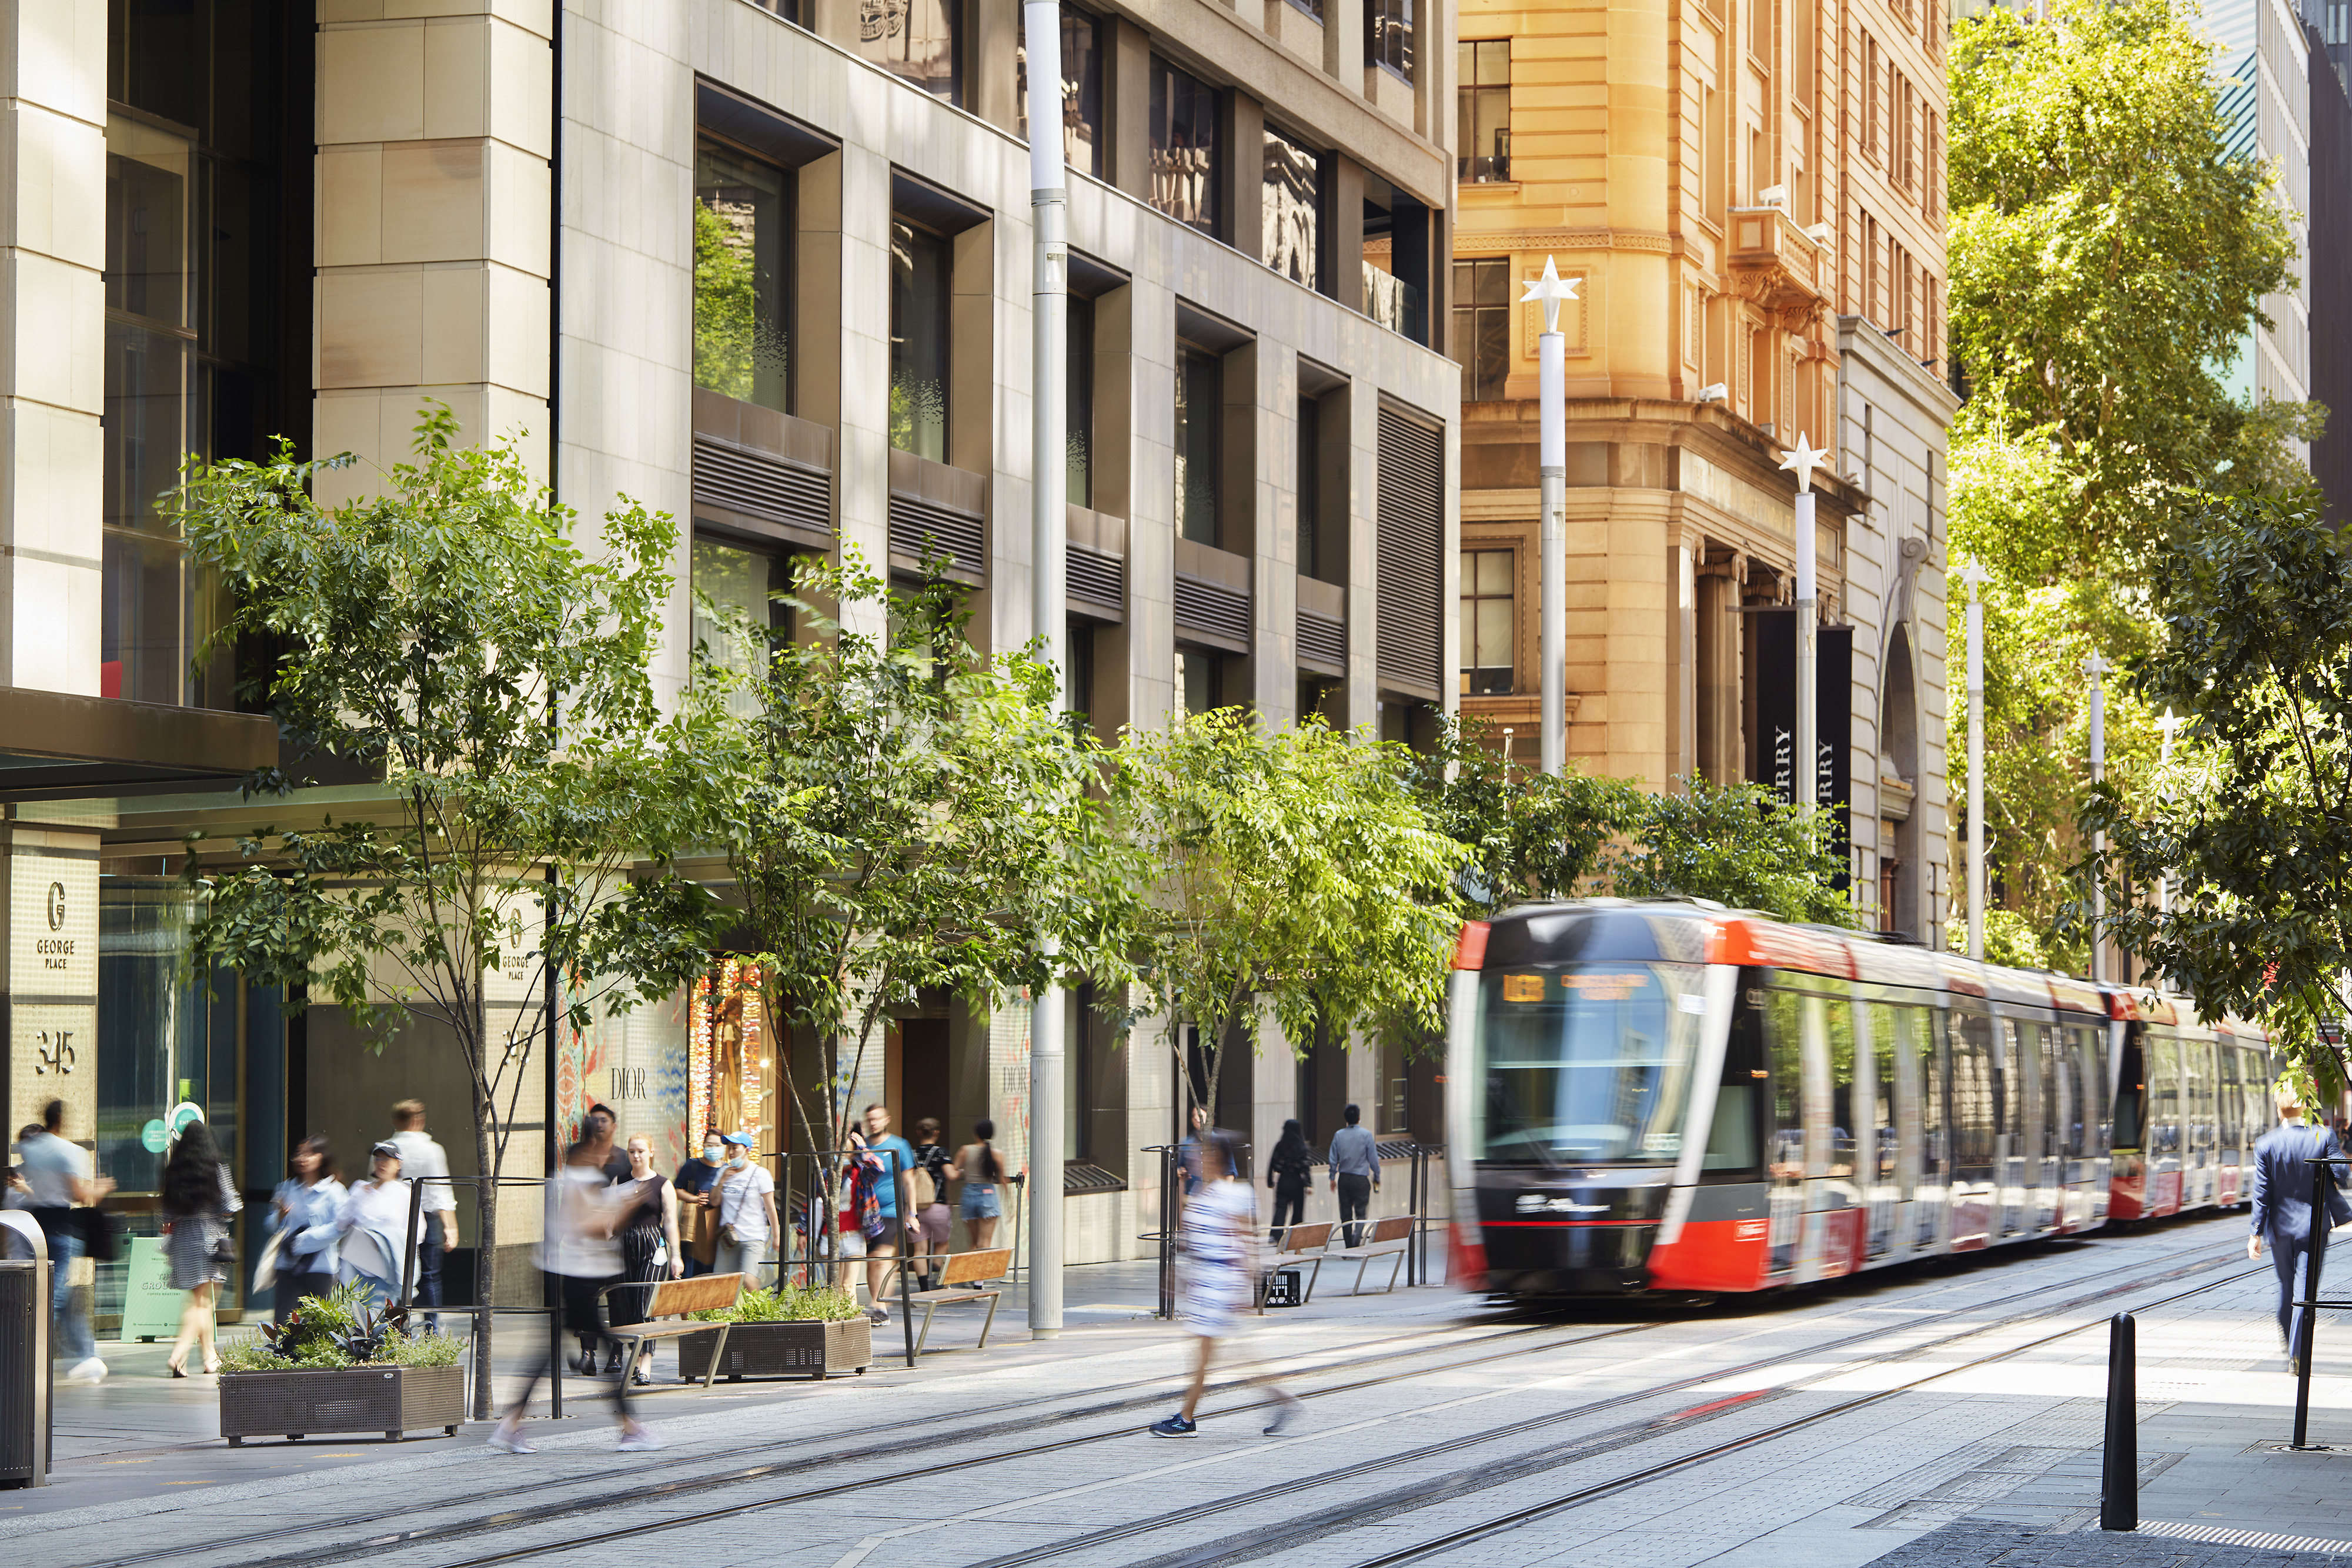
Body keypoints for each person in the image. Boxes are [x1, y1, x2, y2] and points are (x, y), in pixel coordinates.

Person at [486, 1135, 661, 1454]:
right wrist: (629, 1206)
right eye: (601, 1149)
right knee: (601, 1347)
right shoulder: (582, 1181)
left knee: (551, 1352)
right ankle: (630, 1429)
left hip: (578, 1276)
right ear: (588, 1152)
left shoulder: (576, 1181)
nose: (607, 1155)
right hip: (579, 1278)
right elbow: (591, 1227)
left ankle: (511, 1424)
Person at [1149, 1131, 1303, 1439]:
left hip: (1220, 1285)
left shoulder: (1233, 1195)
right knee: (1228, 1355)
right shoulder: (1203, 1195)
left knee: (1207, 1356)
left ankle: (1187, 1418)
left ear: (1216, 1158)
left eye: (1202, 1154)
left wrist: (1247, 1288)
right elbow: (1191, 1240)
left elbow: (1245, 1242)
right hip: (1209, 1285)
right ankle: (1281, 1401)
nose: (1196, 1158)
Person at [2249, 1094, 2351, 1374]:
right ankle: (2298, 1352)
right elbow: (2342, 1173)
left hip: (2280, 1229)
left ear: (2278, 1110)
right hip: (2314, 1226)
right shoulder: (2321, 1135)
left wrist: (2255, 1233)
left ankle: (2289, 1346)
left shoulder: (2266, 1143)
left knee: (2286, 1289)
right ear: (2305, 1106)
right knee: (2307, 1292)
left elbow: (2262, 1193)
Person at [18, 1099, 113, 1385]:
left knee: (59, 1292)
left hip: (34, 1223)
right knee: (55, 1294)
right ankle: (33, 1352)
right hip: (60, 1226)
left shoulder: (29, 1149)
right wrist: (103, 1187)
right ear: (60, 1118)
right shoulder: (69, 1151)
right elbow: (78, 1194)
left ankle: (87, 1354)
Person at [160, 1120, 240, 1378]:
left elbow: (166, 1213)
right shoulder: (215, 1168)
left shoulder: (174, 1172)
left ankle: (210, 1357)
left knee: (203, 1300)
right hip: (208, 1237)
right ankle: (178, 1353)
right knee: (201, 1302)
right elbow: (229, 1205)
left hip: (182, 1239)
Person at [609, 1134, 683, 1382]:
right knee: (629, 1306)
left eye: (641, 1151)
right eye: (631, 1151)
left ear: (651, 1153)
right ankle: (637, 1357)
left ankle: (646, 1364)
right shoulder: (620, 1181)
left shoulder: (663, 1184)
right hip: (624, 1244)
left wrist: (677, 1256)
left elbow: (671, 1222)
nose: (636, 1156)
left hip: (653, 1245)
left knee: (645, 1303)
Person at [388, 1100, 457, 1332]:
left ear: (396, 1121)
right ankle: (432, 1328)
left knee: (395, 1273)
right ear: (419, 1120)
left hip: (394, 1217)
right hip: (429, 1218)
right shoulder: (432, 1149)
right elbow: (441, 1191)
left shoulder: (386, 1148)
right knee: (429, 1275)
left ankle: (395, 1328)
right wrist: (451, 1227)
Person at [851, 1105, 918, 1324]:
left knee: (882, 1257)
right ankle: (879, 1305)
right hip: (867, 1211)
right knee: (873, 1260)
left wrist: (912, 1212)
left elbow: (909, 1181)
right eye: (869, 1119)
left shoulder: (899, 1145)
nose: (873, 1123)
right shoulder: (863, 1145)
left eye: (877, 1119)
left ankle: (879, 1307)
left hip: (891, 1210)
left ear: (887, 1120)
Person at [271, 1135, 346, 1322]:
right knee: (284, 1323)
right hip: (287, 1265)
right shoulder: (286, 1188)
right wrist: (279, 1216)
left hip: (320, 1267)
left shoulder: (334, 1191)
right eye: (299, 1154)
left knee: (316, 1325)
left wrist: (304, 1241)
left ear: (322, 1157)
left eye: (310, 1154)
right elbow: (271, 1225)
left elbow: (340, 1227)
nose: (303, 1158)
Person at [333, 1142, 415, 1308]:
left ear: (398, 1164)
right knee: (355, 1319)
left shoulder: (405, 1194)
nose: (381, 1164)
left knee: (379, 1318)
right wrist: (356, 1198)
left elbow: (417, 1233)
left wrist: (387, 1241)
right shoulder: (360, 1188)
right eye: (378, 1159)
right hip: (356, 1266)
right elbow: (340, 1223)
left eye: (387, 1159)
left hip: (386, 1268)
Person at [711, 1132, 779, 1285]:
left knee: (748, 1280)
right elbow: (714, 1202)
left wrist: (777, 1236)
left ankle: (757, 1309)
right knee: (722, 1283)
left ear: (747, 1149)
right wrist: (722, 1181)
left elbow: (770, 1208)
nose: (730, 1152)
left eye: (735, 1148)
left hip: (753, 1236)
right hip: (728, 1238)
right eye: (729, 1148)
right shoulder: (723, 1172)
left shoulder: (760, 1174)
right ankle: (728, 1311)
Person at [909, 1118, 954, 1286]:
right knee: (943, 1244)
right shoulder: (941, 1153)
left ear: (919, 1133)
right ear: (936, 1133)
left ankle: (924, 1288)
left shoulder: (911, 1154)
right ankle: (936, 1270)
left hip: (915, 1209)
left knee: (920, 1250)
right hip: (938, 1206)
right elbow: (951, 1175)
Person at [674, 1132, 727, 1277]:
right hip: (693, 1226)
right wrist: (694, 1199)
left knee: (712, 1270)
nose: (713, 1148)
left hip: (717, 1227)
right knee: (690, 1269)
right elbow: (677, 1189)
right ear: (703, 1146)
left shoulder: (726, 1170)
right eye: (709, 1145)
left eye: (717, 1145)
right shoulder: (692, 1165)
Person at [954, 1118, 1009, 1255]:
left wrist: (963, 1173)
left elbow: (954, 1171)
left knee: (973, 1243)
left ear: (976, 1134)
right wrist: (1010, 1202)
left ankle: (971, 1274)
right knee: (984, 1243)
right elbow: (1002, 1179)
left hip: (969, 1194)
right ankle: (981, 1277)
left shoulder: (965, 1150)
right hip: (989, 1194)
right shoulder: (998, 1154)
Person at [1328, 1104, 1379, 1248]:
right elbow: (1373, 1159)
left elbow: (1333, 1159)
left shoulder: (1339, 1135)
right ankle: (1357, 1237)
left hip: (1344, 1178)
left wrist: (1332, 1177)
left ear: (1346, 1119)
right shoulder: (1366, 1135)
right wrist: (1377, 1176)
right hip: (1361, 1178)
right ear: (1359, 1117)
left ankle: (1348, 1244)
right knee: (1361, 1212)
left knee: (1345, 1214)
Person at [1267, 1119, 1314, 1242]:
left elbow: (1272, 1163)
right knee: (1298, 1212)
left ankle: (1277, 1238)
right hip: (1297, 1181)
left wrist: (1270, 1181)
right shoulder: (1302, 1146)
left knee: (1280, 1210)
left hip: (1283, 1181)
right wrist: (1309, 1184)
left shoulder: (1280, 1145)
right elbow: (1305, 1166)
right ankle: (1295, 1239)